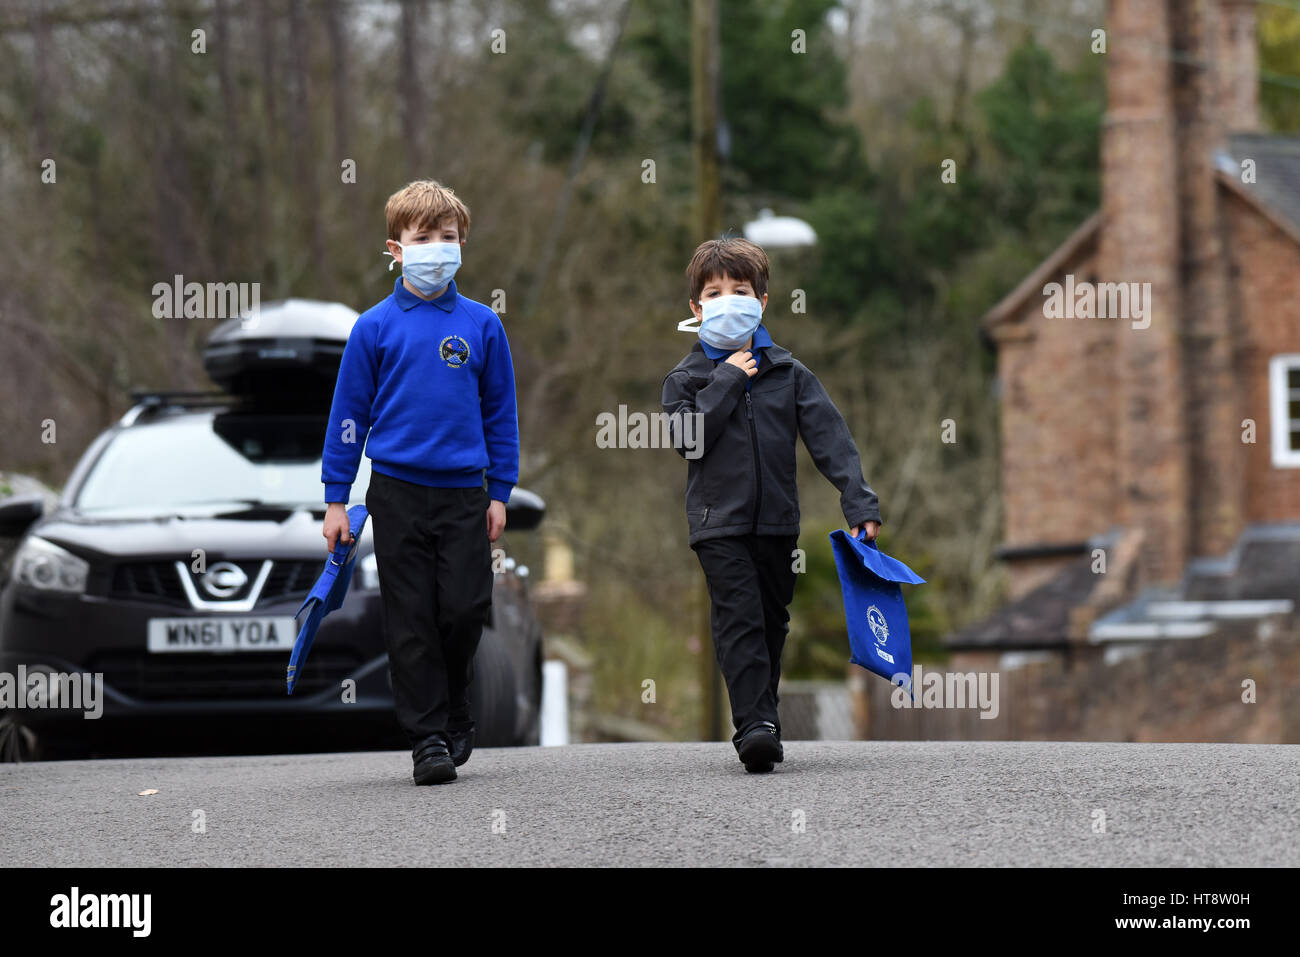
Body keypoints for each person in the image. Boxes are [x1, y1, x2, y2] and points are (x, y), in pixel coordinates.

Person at [321, 180, 519, 785]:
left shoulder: (483, 326)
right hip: (397, 493)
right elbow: (349, 418)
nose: (437, 247)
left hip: (464, 493)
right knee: (409, 617)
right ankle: (428, 737)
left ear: (463, 244)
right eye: (423, 238)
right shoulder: (372, 329)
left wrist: (500, 491)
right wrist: (336, 500)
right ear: (396, 248)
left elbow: (500, 413)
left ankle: (457, 702)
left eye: (447, 237)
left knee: (462, 610)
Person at [662, 237, 882, 773]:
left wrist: (858, 501)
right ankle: (754, 725)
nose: (727, 299)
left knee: (770, 621)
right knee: (738, 618)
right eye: (714, 292)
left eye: (740, 290)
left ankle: (764, 716)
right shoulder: (685, 380)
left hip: (779, 525)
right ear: (695, 307)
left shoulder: (789, 373)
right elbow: (689, 439)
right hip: (718, 526)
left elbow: (832, 437)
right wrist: (730, 379)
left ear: (762, 301)